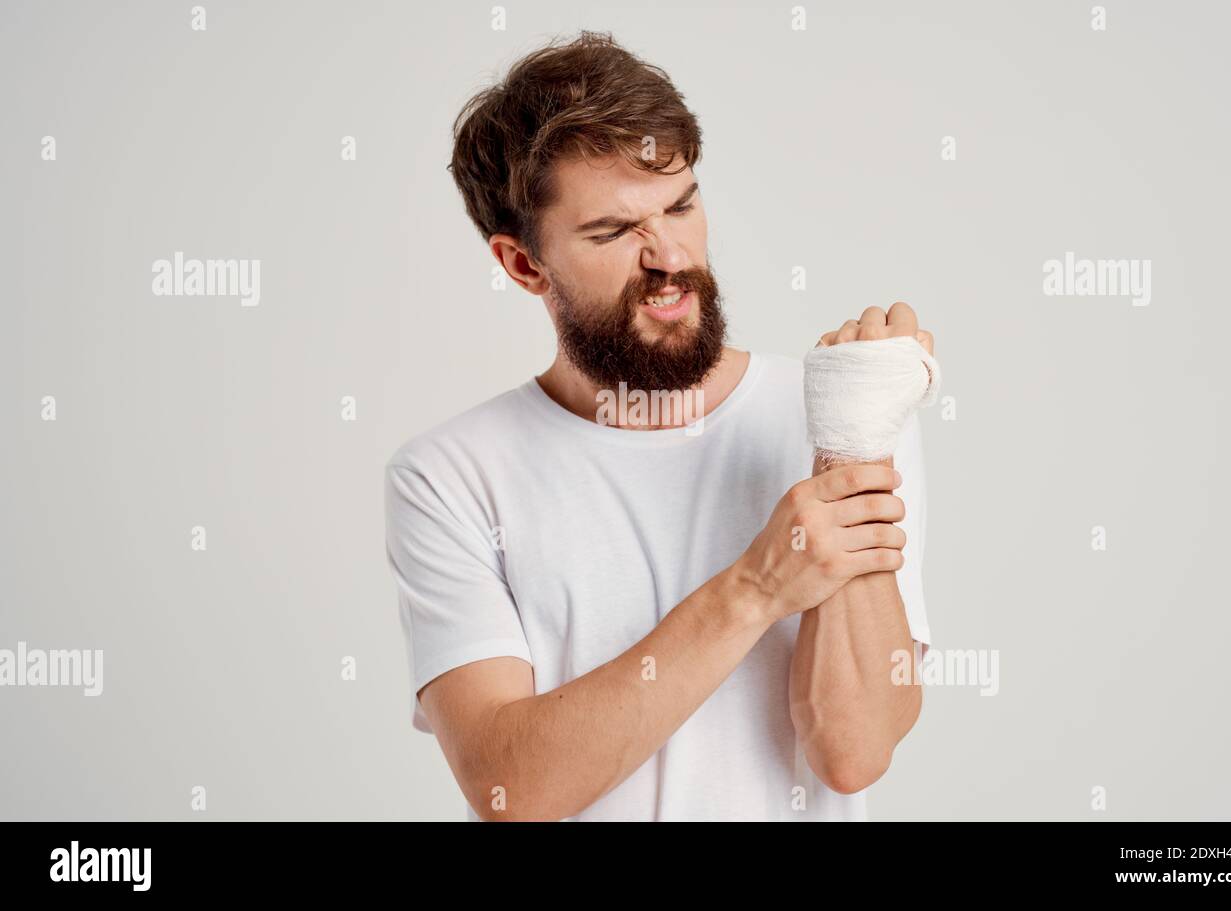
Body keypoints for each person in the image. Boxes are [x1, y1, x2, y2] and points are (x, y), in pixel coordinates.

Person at [384, 30, 936, 821]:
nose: (669, 257)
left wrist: (849, 444)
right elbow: (512, 787)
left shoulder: (835, 416)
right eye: (613, 233)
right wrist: (755, 587)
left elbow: (852, 755)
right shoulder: (449, 475)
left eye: (681, 204)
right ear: (523, 264)